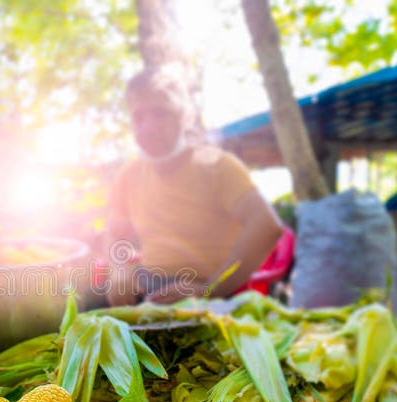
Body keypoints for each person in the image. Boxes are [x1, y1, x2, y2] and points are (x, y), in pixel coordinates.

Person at [106, 64, 283, 305]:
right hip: (149, 288)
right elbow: (116, 233)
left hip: (210, 293)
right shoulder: (129, 174)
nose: (148, 127)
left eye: (160, 112)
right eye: (139, 116)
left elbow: (267, 226)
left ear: (184, 115)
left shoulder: (217, 166)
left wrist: (209, 289)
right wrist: (119, 270)